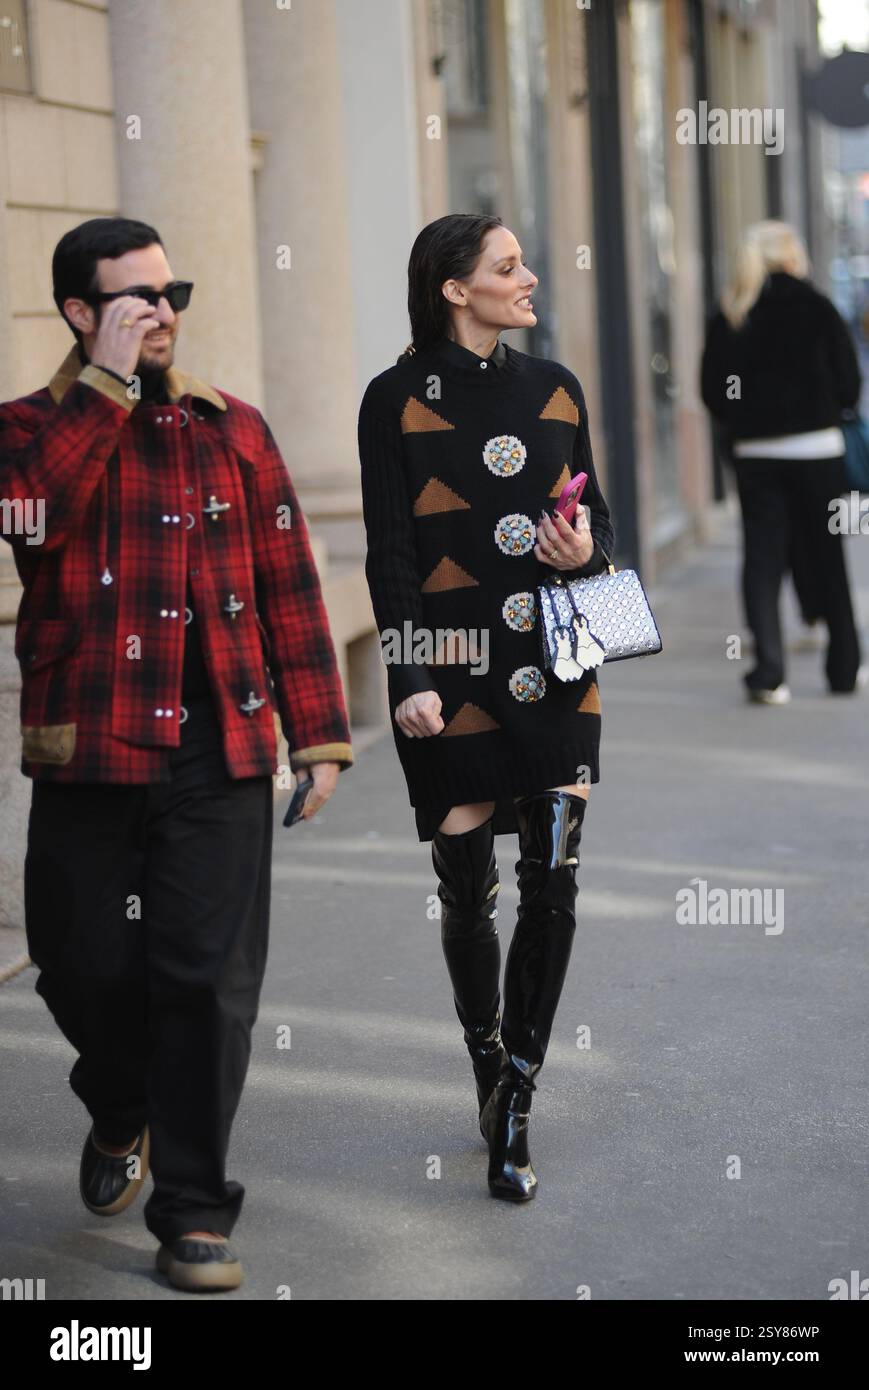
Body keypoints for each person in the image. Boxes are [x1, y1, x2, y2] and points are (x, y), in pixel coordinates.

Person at [0, 217, 353, 1291]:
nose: (162, 311)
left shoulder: (230, 428)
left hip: (223, 746)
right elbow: (31, 524)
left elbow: (290, 580)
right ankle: (121, 1106)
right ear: (79, 312)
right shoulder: (27, 427)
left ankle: (195, 1210)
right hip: (92, 744)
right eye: (134, 297)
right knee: (79, 958)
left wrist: (319, 732)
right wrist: (102, 386)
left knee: (206, 984)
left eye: (170, 292)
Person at [358, 213, 615, 1202]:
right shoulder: (393, 400)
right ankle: (483, 1055)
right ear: (454, 289)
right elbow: (390, 550)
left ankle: (517, 1096)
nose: (529, 276)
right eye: (507, 266)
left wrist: (582, 554)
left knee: (552, 876)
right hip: (450, 660)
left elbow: (599, 525)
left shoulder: (555, 387)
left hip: (555, 655)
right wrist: (407, 674)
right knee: (468, 886)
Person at [701, 220, 864, 702]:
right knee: (829, 558)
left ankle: (769, 674)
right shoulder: (819, 307)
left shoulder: (732, 313)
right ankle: (843, 670)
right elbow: (850, 383)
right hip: (818, 451)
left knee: (762, 560)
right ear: (794, 255)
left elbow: (713, 390)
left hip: (756, 454)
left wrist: (743, 420)